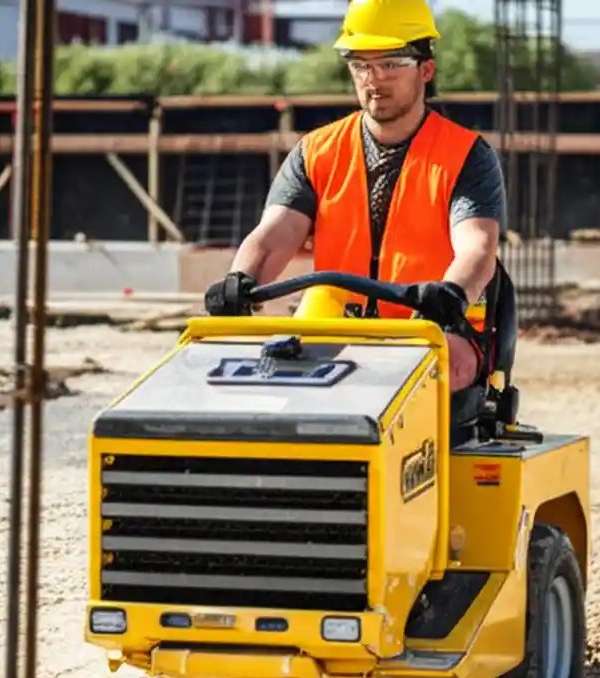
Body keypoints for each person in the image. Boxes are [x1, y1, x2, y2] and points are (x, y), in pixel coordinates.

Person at [203, 0, 507, 393]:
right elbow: (274, 235)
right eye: (361, 64)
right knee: (266, 370)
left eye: (391, 64)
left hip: (434, 325)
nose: (374, 79)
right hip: (338, 320)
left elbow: (477, 249)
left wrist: (452, 295)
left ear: (426, 70)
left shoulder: (466, 156)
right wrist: (239, 282)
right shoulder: (316, 152)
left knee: (432, 370)